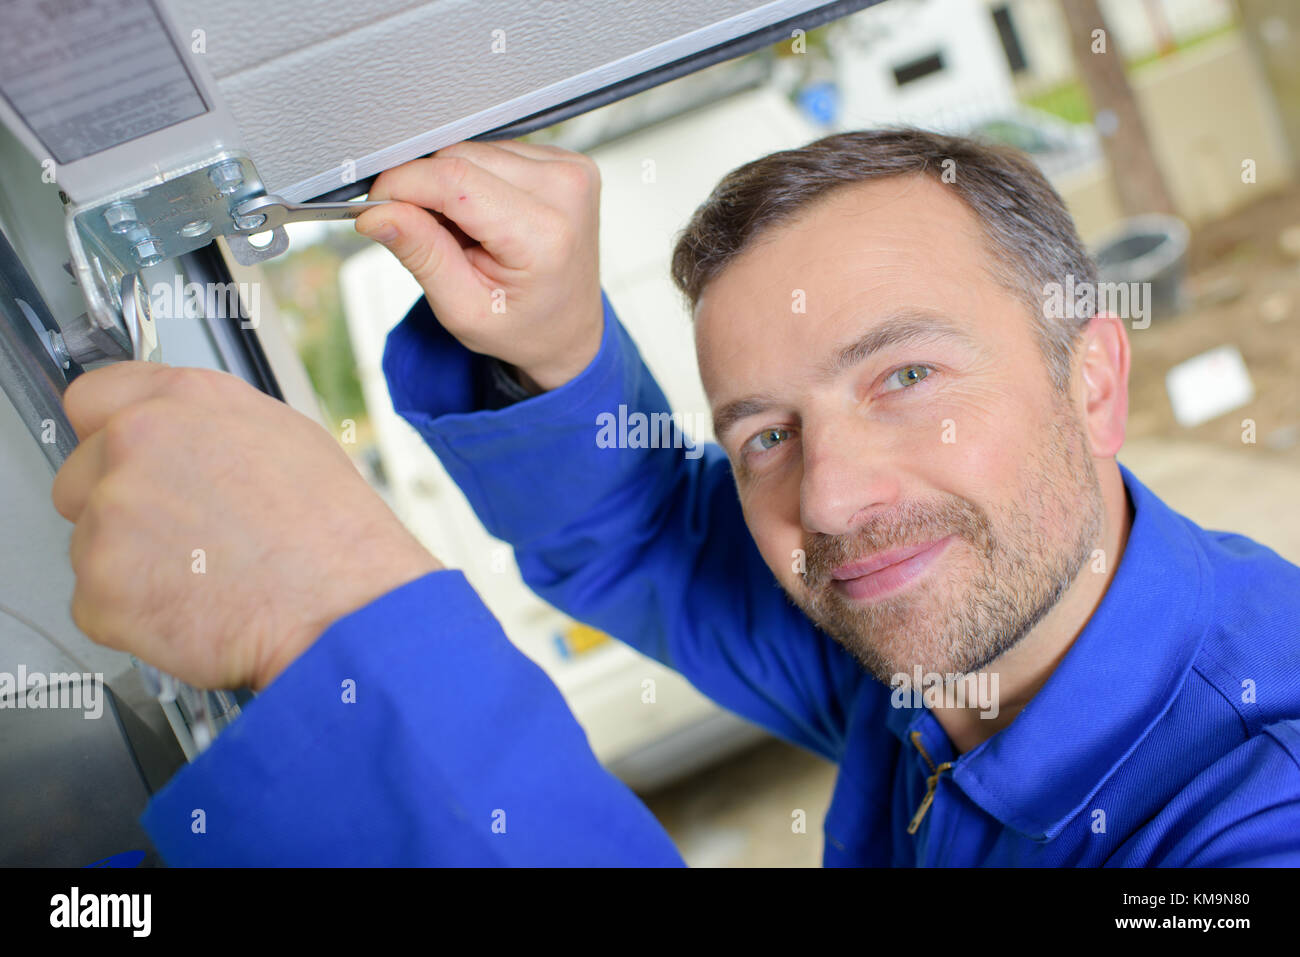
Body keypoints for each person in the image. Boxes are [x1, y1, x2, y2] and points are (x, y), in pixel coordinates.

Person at [51, 130, 1300, 866]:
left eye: (905, 375)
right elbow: (654, 531)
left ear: (1091, 378)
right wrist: (543, 344)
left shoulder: (1259, 808)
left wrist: (338, 627)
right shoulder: (939, 648)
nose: (835, 497)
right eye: (763, 433)